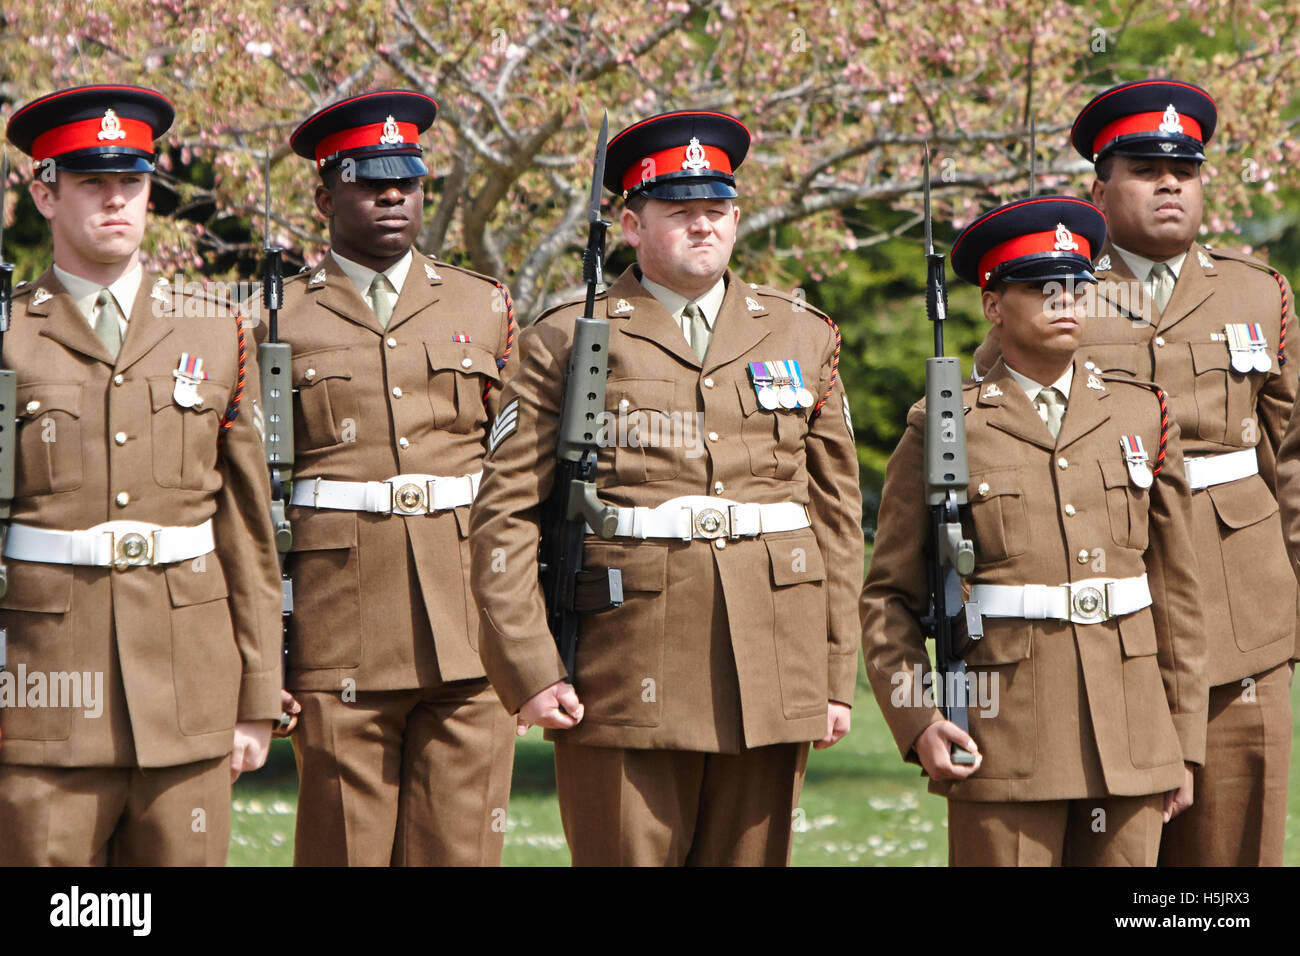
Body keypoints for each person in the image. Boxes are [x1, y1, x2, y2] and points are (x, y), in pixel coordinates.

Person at [469, 110, 864, 866]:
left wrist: (832, 673)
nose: (703, 227)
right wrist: (529, 666)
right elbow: (506, 515)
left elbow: (837, 519)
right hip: (623, 666)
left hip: (771, 662)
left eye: (716, 211)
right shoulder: (567, 335)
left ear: (737, 218)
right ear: (630, 223)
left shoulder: (799, 334)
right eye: (680, 212)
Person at [974, 80, 1296, 866]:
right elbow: (990, 431)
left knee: (1227, 863)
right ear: (1100, 187)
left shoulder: (1258, 291)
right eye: (1146, 169)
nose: (1169, 185)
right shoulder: (1052, 291)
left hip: (1241, 615)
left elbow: (1293, 459)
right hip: (1102, 615)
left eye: (1184, 170)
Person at [863, 195, 1207, 866]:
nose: (1064, 301)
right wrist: (920, 721)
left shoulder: (1140, 411)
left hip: (1133, 738)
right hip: (1005, 739)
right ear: (994, 305)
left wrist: (1184, 743)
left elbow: (1178, 594)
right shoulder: (944, 426)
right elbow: (890, 602)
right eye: (1040, 288)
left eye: (1077, 286)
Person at [0, 84, 282, 865]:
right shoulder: (10, 335)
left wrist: (257, 697)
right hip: (41, 699)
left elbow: (247, 530)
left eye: (132, 183)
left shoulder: (217, 328)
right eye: (94, 183)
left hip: (188, 692)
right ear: (44, 192)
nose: (117, 201)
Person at [267, 90, 517, 866]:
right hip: (337, 619)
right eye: (368, 180)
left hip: (469, 620)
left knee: (465, 849)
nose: (390, 196)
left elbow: (514, 480)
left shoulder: (483, 304)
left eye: (405, 181)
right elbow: (251, 495)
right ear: (324, 195)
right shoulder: (272, 319)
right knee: (344, 848)